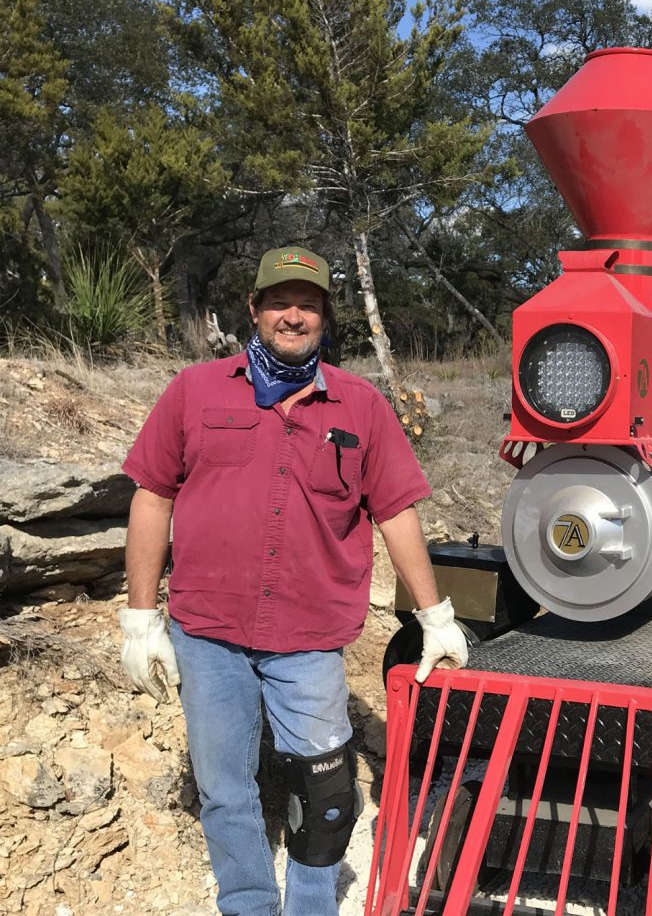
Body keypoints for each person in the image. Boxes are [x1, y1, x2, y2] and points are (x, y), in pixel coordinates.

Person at [116, 246, 468, 916]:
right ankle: (248, 902)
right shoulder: (194, 391)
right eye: (280, 301)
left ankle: (311, 907)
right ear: (254, 310)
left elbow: (395, 510)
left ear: (326, 317)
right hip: (207, 633)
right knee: (226, 790)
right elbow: (152, 496)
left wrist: (436, 616)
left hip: (308, 636)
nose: (293, 315)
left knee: (329, 793)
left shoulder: (361, 407)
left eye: (308, 304)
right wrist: (140, 618)